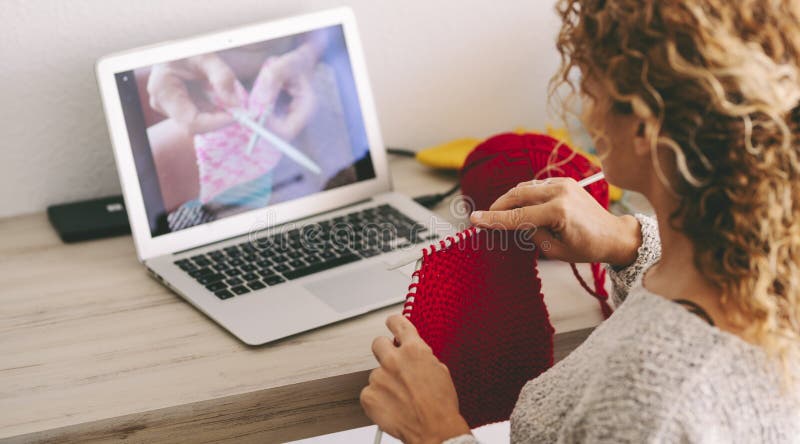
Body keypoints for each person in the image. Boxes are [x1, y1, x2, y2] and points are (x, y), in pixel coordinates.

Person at [360, 1, 800, 442]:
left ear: (644, 128)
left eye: (591, 92)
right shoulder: (767, 260)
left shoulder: (647, 404)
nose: (588, 116)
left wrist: (438, 431)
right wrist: (629, 242)